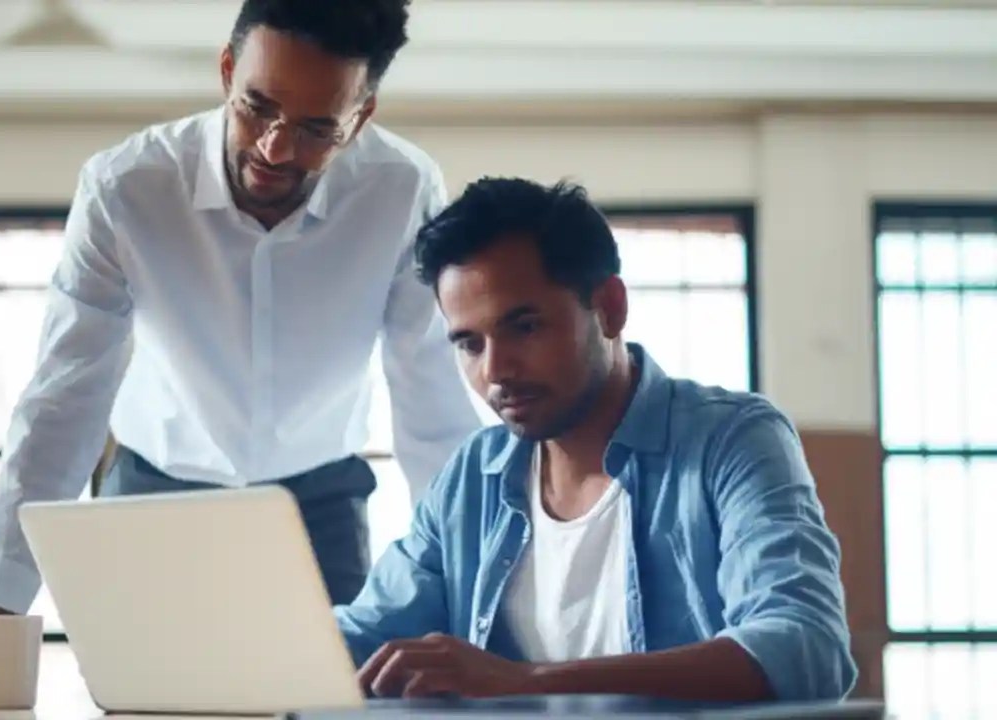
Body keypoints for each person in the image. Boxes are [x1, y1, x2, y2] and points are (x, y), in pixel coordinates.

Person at [0, 0, 481, 702]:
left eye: (317, 128)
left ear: (361, 115)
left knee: (328, 706)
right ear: (227, 70)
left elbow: (432, 410)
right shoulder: (127, 185)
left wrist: (472, 618)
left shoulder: (403, 189)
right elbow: (63, 403)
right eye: (258, 107)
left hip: (319, 500)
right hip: (153, 495)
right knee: (144, 705)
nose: (276, 148)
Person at [334, 177, 858, 703]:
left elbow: (804, 647)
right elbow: (363, 637)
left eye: (524, 327)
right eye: (469, 343)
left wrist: (525, 684)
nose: (495, 370)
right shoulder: (473, 476)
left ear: (609, 307)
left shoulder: (732, 440)